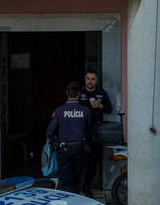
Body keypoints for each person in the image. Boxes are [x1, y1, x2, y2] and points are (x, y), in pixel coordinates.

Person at [46, 82, 90, 194]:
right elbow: (88, 129)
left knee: (66, 178)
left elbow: (50, 130)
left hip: (64, 148)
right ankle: (76, 198)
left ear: (67, 93)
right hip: (79, 147)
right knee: (78, 176)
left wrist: (49, 139)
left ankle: (69, 199)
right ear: (79, 94)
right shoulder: (85, 110)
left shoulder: (59, 110)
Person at [80, 69, 112, 198]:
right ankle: (77, 185)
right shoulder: (80, 93)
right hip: (82, 132)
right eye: (88, 78)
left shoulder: (101, 93)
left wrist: (100, 106)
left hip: (97, 133)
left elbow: (110, 109)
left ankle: (87, 186)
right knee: (80, 161)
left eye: (93, 79)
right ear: (85, 79)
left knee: (93, 162)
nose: (90, 81)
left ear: (97, 80)